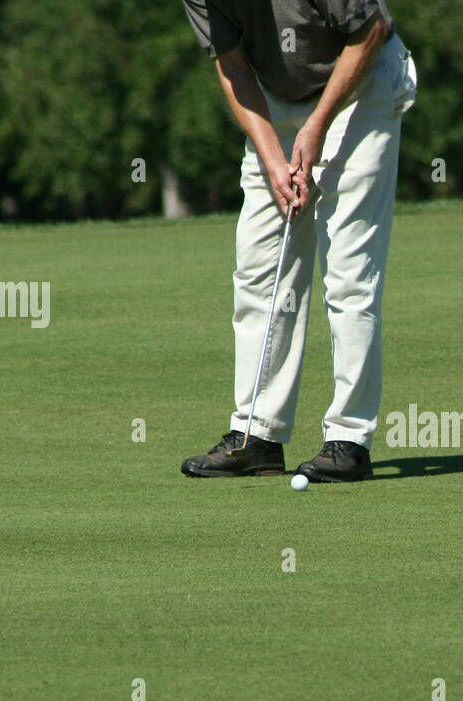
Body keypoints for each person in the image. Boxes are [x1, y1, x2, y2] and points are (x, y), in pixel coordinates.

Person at [179, 1, 417, 482]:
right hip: (275, 100)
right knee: (258, 271)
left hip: (362, 88)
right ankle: (256, 435)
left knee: (348, 273)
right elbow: (233, 67)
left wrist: (317, 125)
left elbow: (370, 31)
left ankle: (349, 441)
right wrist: (272, 158)